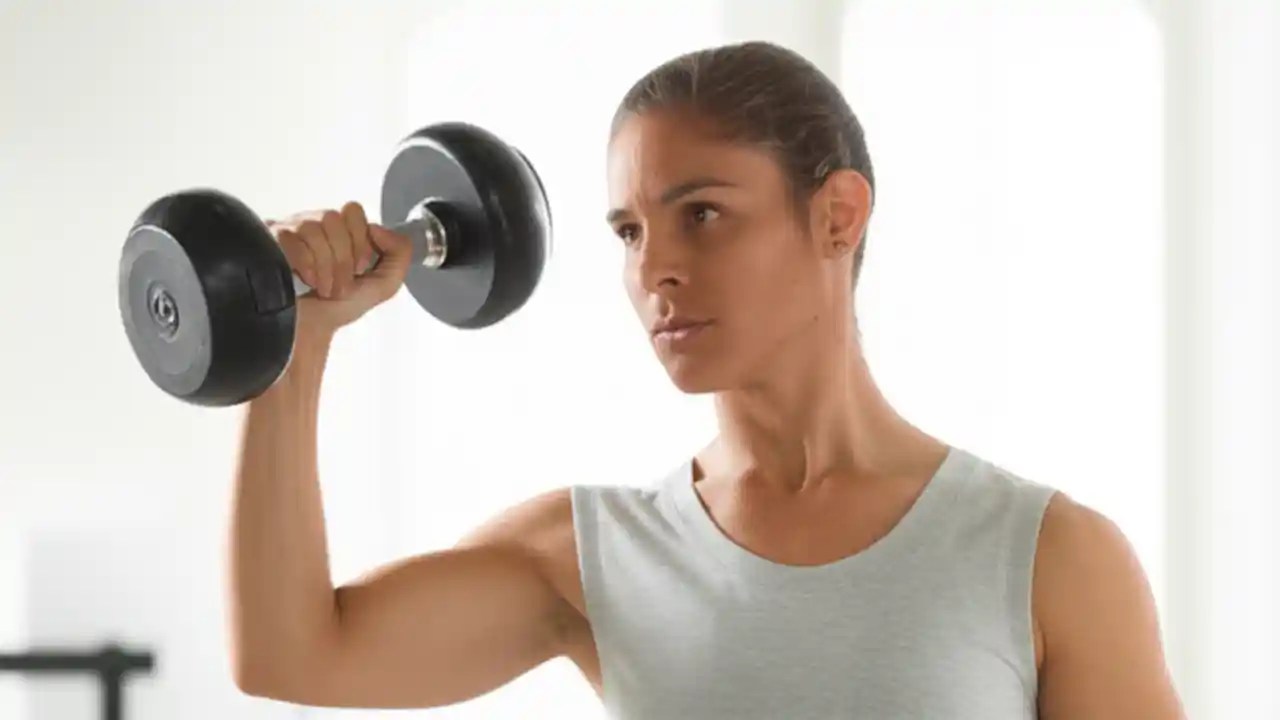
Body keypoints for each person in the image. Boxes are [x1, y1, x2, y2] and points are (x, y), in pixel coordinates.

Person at [228, 41, 1185, 718]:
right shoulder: (590, 555)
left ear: (838, 216)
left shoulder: (1048, 557)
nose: (655, 271)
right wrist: (296, 341)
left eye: (704, 215)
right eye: (630, 232)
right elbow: (290, 654)